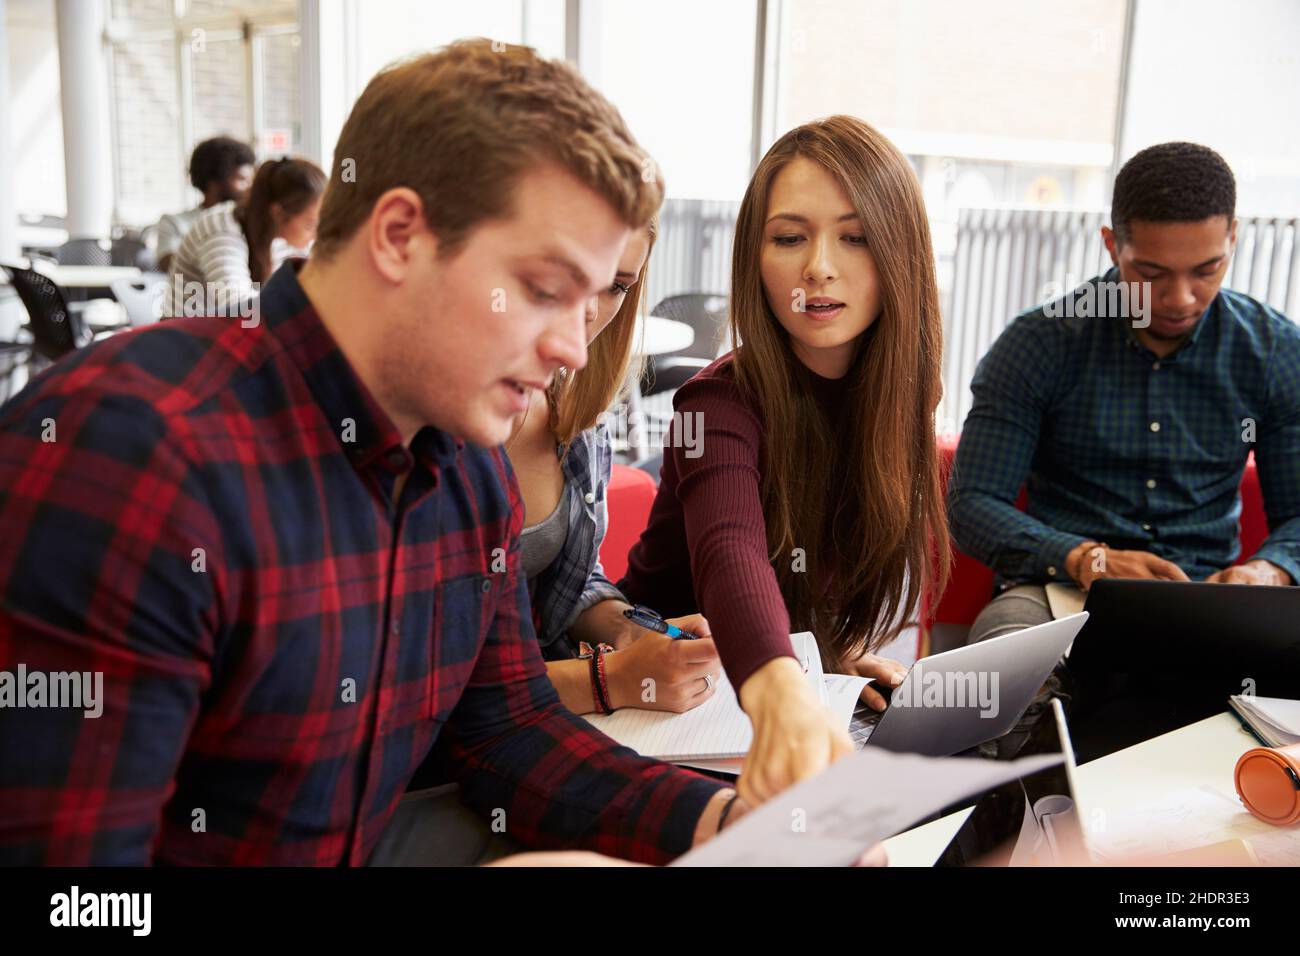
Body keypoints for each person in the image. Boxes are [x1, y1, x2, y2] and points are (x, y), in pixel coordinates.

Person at [0, 40, 742, 867]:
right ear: (398, 236)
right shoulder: (132, 451)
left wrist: (727, 824)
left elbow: (509, 733)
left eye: (600, 294)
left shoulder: (468, 467)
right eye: (542, 290)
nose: (574, 347)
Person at [620, 115, 952, 807]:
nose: (819, 266)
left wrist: (821, 661)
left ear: (901, 253)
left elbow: (812, 576)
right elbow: (730, 554)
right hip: (670, 702)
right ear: (756, 257)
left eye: (855, 236)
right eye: (789, 237)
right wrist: (780, 680)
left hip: (775, 683)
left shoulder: (900, 398)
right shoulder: (716, 403)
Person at [948, 141, 1300, 653]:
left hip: (1210, 592)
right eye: (1152, 274)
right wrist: (1086, 558)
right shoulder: (1041, 342)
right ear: (1112, 245)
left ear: (1233, 239)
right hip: (1056, 589)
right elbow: (971, 505)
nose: (1180, 299)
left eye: (1207, 270)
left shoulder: (1274, 351)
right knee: (1002, 667)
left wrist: (1269, 571)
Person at [504, 217, 722, 716]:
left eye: (617, 286)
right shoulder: (430, 419)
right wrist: (610, 679)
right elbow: (448, 688)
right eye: (565, 276)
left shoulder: (576, 409)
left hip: (548, 722)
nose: (586, 313)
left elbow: (573, 582)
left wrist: (631, 629)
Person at [163, 156, 326, 319]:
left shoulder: (279, 237)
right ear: (278, 213)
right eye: (310, 225)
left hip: (223, 333)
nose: (316, 235)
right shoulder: (220, 228)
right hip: (186, 337)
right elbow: (239, 307)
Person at [154, 136, 256, 274]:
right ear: (214, 182)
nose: (249, 187)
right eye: (242, 179)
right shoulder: (175, 223)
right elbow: (172, 267)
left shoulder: (249, 222)